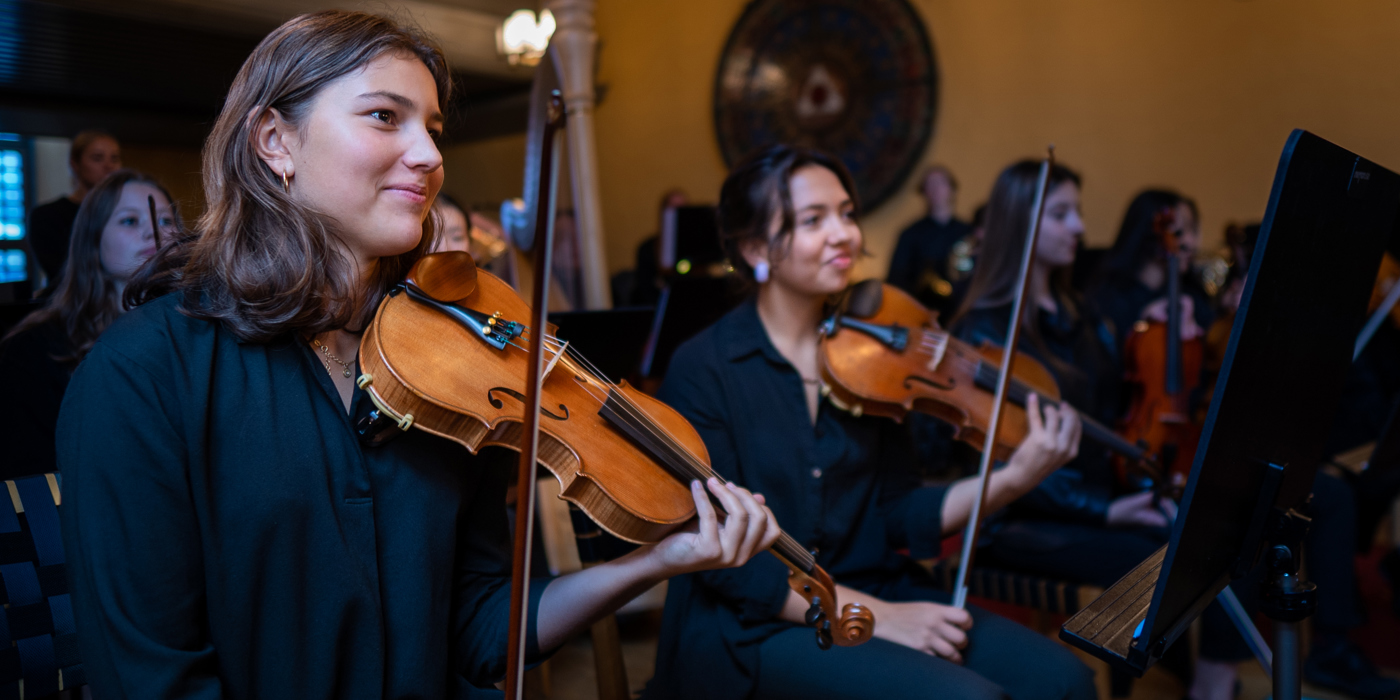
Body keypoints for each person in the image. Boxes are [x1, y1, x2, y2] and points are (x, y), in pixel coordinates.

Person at [58, 12, 781, 698]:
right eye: (385, 116)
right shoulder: (142, 375)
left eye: (433, 127)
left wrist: (655, 560)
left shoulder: (453, 368)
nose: (431, 156)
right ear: (274, 141)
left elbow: (477, 630)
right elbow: (150, 674)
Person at [644, 145, 1096, 700]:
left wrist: (1016, 476)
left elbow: (899, 512)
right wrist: (874, 615)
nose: (845, 234)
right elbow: (720, 557)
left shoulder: (873, 362)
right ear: (757, 246)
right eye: (814, 220)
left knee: (1066, 679)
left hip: (880, 589)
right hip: (755, 624)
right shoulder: (704, 367)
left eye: (847, 213)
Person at [952, 161, 1260, 700]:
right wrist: (1107, 510)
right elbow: (1006, 459)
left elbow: (1125, 408)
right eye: (1061, 214)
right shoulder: (983, 329)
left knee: (1227, 527)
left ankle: (1213, 681)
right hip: (1022, 516)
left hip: (1099, 496)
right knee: (1163, 552)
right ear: (1021, 226)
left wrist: (1171, 330)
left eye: (1078, 213)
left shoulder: (1083, 311)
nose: (1078, 227)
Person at [0, 169, 173, 480]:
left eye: (165, 221)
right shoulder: (32, 350)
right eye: (130, 221)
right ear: (92, 240)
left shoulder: (199, 337)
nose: (153, 233)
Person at [1090, 189, 1214, 354]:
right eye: (1179, 232)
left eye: (1192, 230)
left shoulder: (1189, 297)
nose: (1191, 243)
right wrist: (1140, 328)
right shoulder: (1109, 300)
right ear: (1149, 232)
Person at [27, 130, 122, 285]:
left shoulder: (126, 212)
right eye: (97, 158)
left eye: (115, 158)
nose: (109, 166)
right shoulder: (46, 215)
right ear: (74, 164)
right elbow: (62, 273)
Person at [887, 165, 972, 317]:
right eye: (930, 184)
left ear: (953, 190)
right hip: (920, 312)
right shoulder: (909, 233)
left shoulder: (968, 232)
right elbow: (896, 280)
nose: (935, 189)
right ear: (924, 192)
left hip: (960, 314)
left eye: (940, 182)